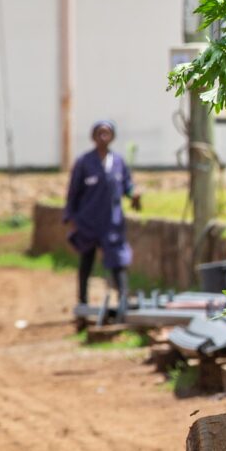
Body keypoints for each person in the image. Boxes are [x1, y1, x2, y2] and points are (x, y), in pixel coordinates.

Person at [63, 119, 142, 318]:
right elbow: (73, 193)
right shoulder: (84, 163)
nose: (103, 136)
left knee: (118, 262)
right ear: (93, 137)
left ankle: (123, 301)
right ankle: (83, 303)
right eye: (100, 133)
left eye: (107, 133)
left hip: (112, 222)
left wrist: (133, 194)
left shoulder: (118, 162)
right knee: (86, 262)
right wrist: (71, 217)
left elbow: (127, 185)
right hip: (88, 222)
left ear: (112, 136)